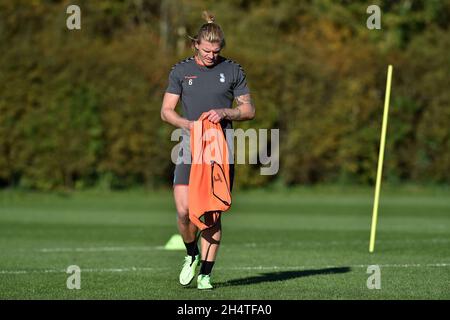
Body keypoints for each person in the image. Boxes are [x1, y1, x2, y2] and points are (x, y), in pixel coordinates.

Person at [160, 11, 255, 290]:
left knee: (212, 213)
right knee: (184, 210)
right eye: (206, 50)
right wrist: (187, 124)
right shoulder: (180, 71)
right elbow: (166, 111)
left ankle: (205, 274)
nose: (211, 55)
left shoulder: (234, 70)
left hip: (219, 151)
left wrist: (226, 111)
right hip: (189, 146)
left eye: (216, 51)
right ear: (195, 45)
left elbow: (249, 110)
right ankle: (191, 255)